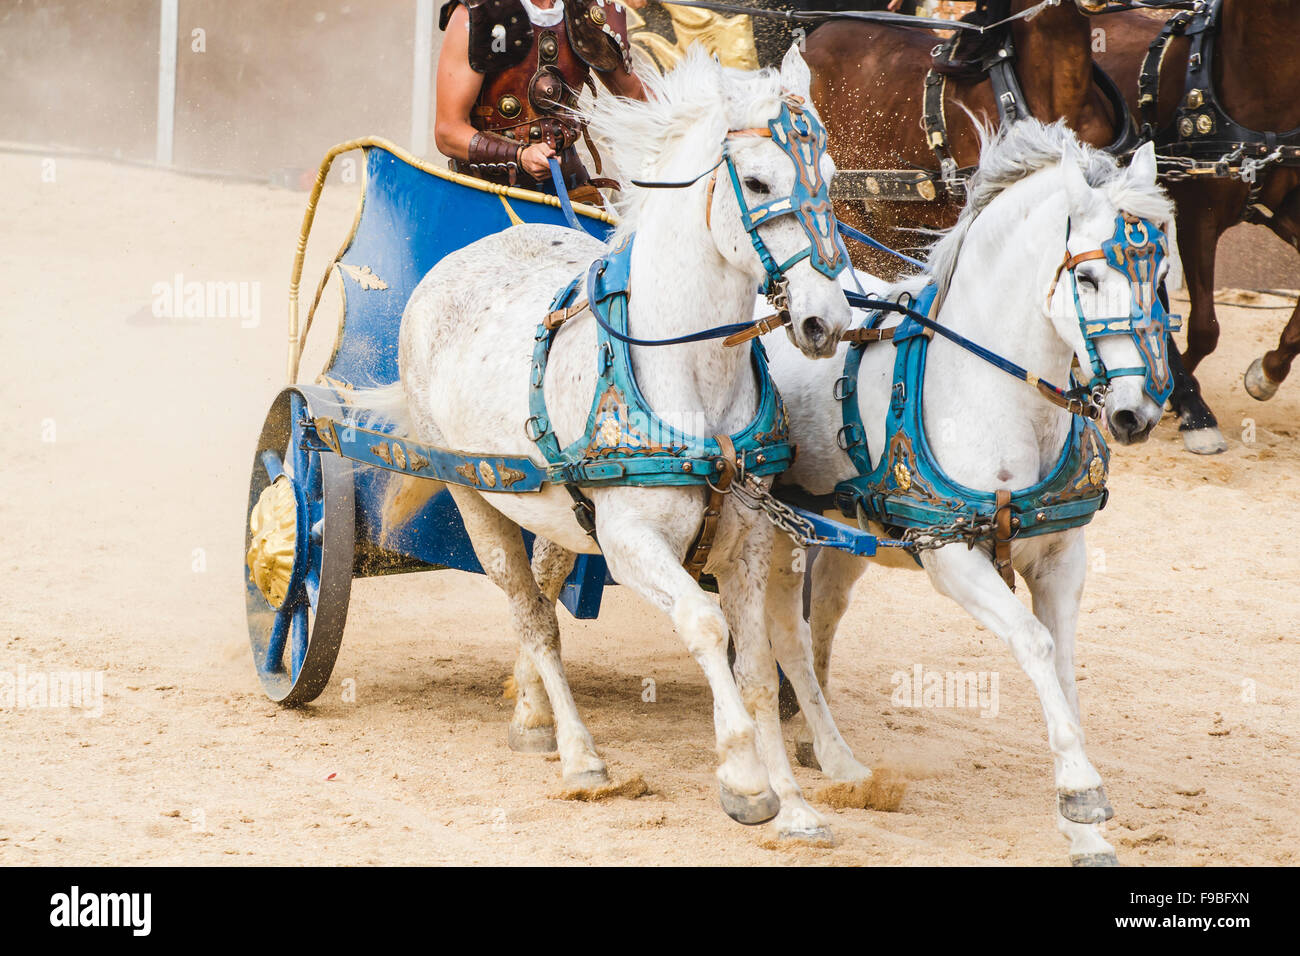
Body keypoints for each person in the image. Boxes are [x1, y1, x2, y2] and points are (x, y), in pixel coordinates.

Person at [434, 0, 646, 200]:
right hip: (485, 195)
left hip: (570, 189)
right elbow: (448, 133)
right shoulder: (477, 14)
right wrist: (520, 155)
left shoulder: (587, 12)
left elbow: (639, 101)